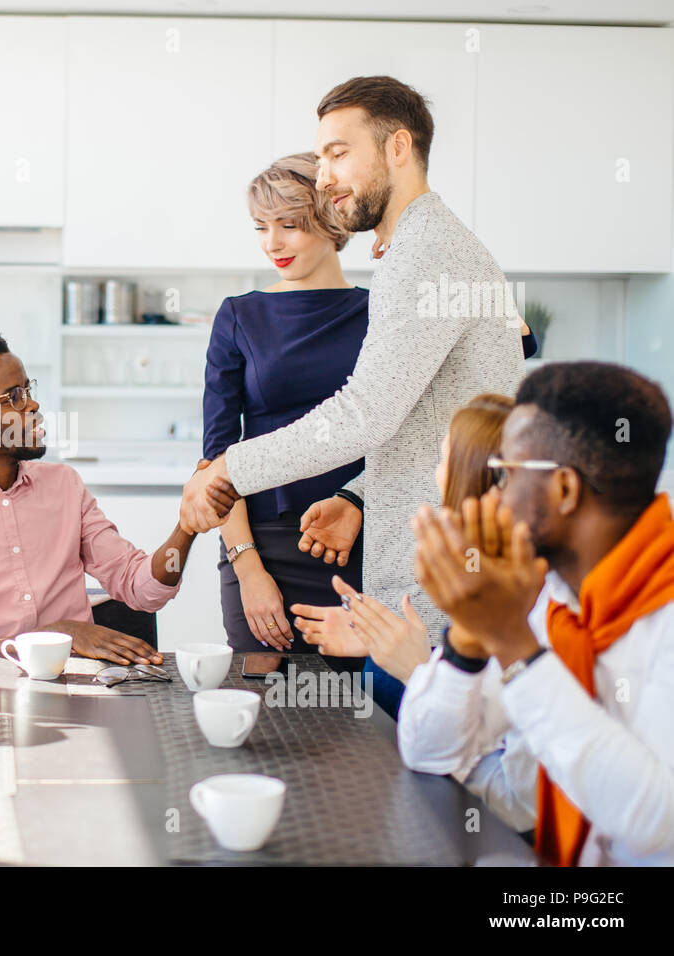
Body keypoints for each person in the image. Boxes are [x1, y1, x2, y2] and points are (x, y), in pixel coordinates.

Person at [180, 75, 526, 655]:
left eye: (339, 154)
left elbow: (365, 413)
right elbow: (420, 420)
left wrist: (225, 473)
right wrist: (360, 496)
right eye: (320, 158)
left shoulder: (426, 252)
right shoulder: (416, 249)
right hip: (417, 571)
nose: (325, 176)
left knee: (419, 735)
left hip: (436, 577)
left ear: (398, 148)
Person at [401, 362, 674, 866]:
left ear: (565, 490)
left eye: (506, 473)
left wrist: (512, 645)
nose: (495, 492)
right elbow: (428, 755)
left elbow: (654, 819)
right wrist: (468, 637)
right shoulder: (540, 592)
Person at [0, 332, 212, 663]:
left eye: (27, 389)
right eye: (12, 397)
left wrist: (186, 527)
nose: (32, 404)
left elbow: (140, 588)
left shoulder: (64, 485)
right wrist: (59, 637)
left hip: (83, 686)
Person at [205, 153, 367, 672]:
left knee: (354, 721)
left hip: (358, 544)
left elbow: (510, 337)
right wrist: (247, 568)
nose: (272, 243)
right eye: (261, 227)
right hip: (260, 542)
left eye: (289, 226)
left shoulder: (382, 312)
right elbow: (216, 460)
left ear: (332, 219)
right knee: (263, 711)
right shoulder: (239, 316)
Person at [292, 393, 514, 718]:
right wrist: (382, 640)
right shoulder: (474, 561)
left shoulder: (503, 588)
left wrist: (415, 667)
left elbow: (470, 739)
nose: (436, 475)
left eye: (441, 460)